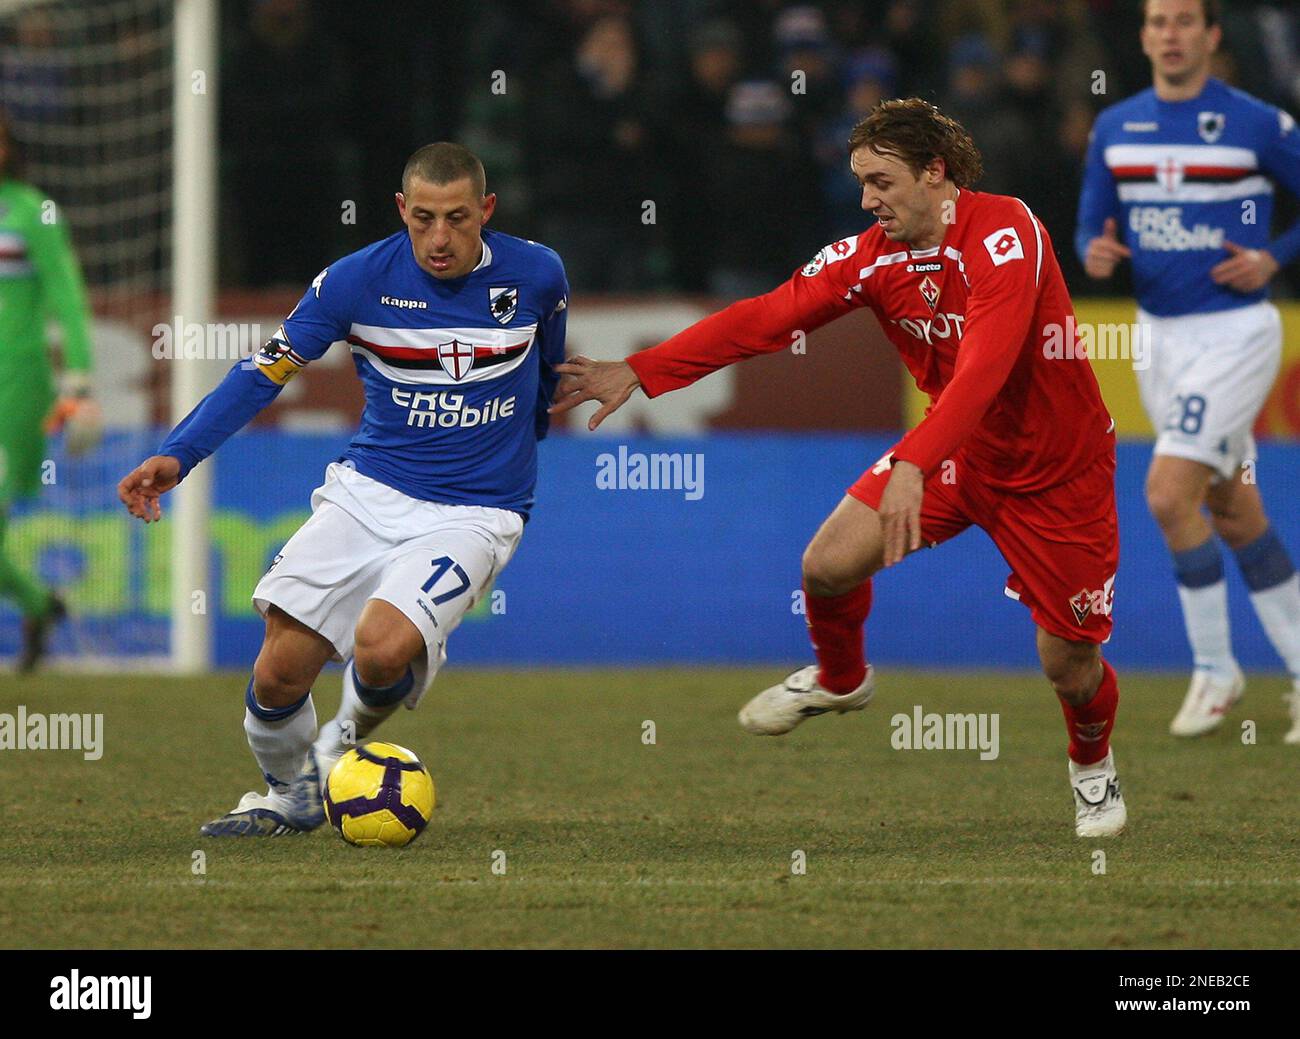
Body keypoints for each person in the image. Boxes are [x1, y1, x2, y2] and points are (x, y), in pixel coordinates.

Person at [552, 98, 1126, 837]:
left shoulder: (1007, 232)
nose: (867, 199)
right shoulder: (869, 259)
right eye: (860, 182)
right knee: (826, 566)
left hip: (1057, 471)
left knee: (1068, 662)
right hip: (958, 455)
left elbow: (987, 367)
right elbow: (765, 316)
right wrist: (643, 367)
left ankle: (1092, 767)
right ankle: (842, 678)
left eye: (882, 181)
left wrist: (917, 459)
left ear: (936, 172)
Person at [117, 143, 568, 835]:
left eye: (456, 218)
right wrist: (179, 454)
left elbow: (545, 373)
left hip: (478, 510)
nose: (439, 238)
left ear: (487, 210)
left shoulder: (537, 274)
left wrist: (520, 448)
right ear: (400, 210)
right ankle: (290, 793)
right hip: (368, 493)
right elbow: (262, 372)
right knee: (278, 671)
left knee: (382, 645)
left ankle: (340, 743)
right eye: (423, 219)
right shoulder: (353, 283)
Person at [1077, 0, 1300, 743]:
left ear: (1210, 36)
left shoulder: (1257, 123)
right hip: (1158, 339)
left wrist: (1271, 255)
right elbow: (1091, 222)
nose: (1169, 34)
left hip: (1235, 332)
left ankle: (1214, 667)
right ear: (1143, 38)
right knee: (1234, 510)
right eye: (1157, 22)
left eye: (1183, 21)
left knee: (1167, 494)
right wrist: (1094, 252)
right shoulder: (1116, 127)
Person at [0, 108, 99, 671]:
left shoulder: (31, 210)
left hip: (15, 388)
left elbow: (65, 292)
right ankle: (40, 604)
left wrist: (79, 379)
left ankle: (40, 607)